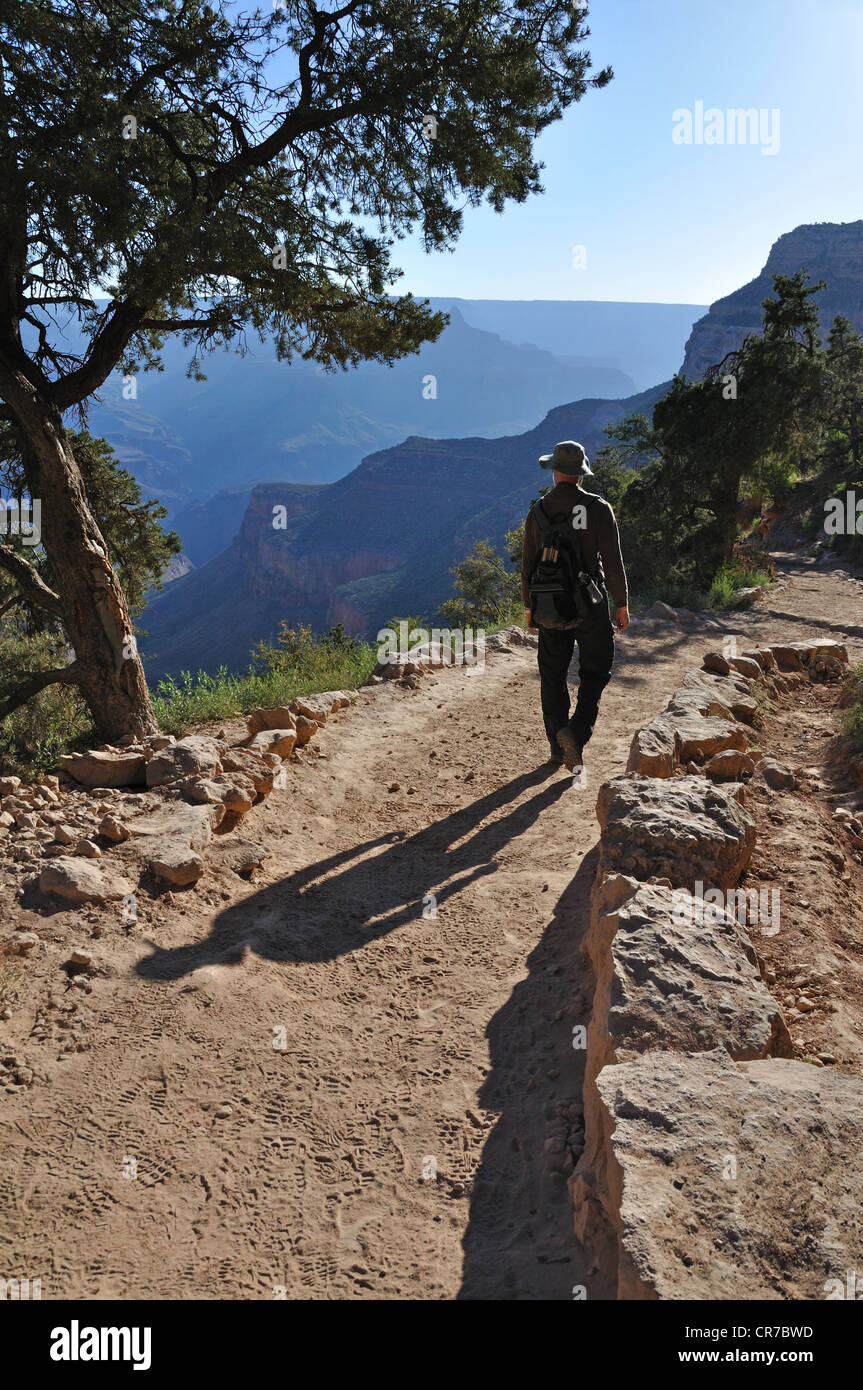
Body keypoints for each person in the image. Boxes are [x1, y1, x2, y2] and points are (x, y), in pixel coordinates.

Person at [521, 440, 629, 771]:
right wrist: (621, 603)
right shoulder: (598, 508)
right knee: (595, 670)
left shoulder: (538, 511)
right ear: (580, 473)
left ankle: (557, 746)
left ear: (554, 471)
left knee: (552, 673)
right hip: (590, 601)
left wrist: (529, 607)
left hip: (551, 602)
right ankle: (577, 731)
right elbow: (612, 561)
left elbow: (528, 563)